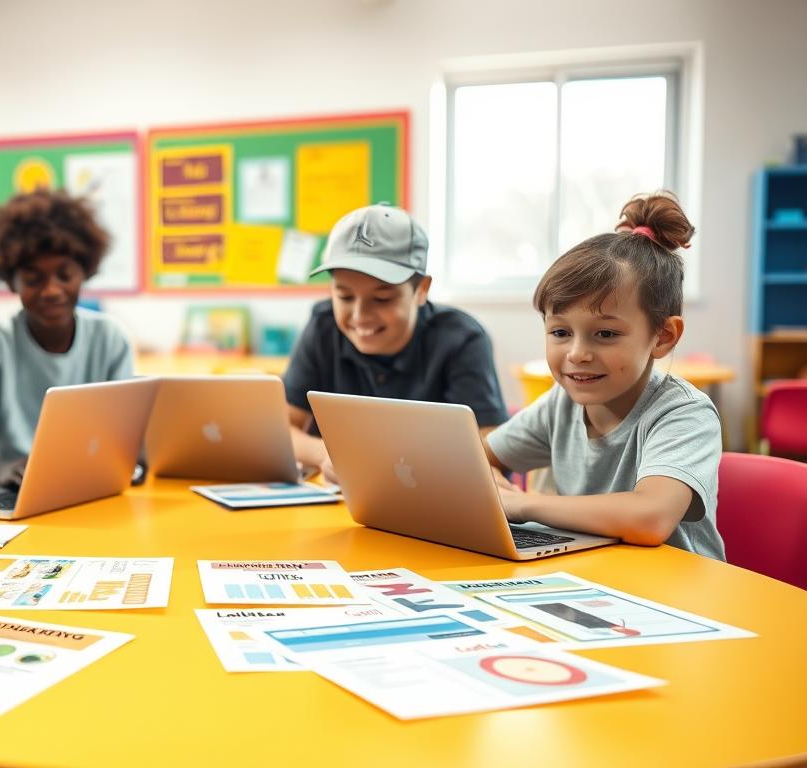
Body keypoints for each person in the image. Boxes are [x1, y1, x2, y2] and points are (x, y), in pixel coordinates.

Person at [484, 192, 725, 559]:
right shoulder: (560, 405)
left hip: (676, 598)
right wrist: (488, 484)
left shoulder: (684, 413)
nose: (577, 353)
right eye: (560, 332)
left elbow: (650, 517)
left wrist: (521, 505)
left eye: (606, 334)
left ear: (663, 336)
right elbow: (479, 455)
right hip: (592, 582)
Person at [284, 203, 508, 482]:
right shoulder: (322, 325)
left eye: (382, 299)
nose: (359, 316)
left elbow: (492, 445)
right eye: (344, 297)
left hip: (428, 493)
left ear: (421, 290)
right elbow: (283, 427)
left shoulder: (462, 339)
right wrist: (324, 455)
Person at [0, 189, 133, 487]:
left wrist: (136, 464)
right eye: (33, 279)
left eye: (65, 275)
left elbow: (130, 437)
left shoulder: (110, 338)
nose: (51, 291)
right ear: (11, 280)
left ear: (85, 271)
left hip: (94, 485)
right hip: (19, 489)